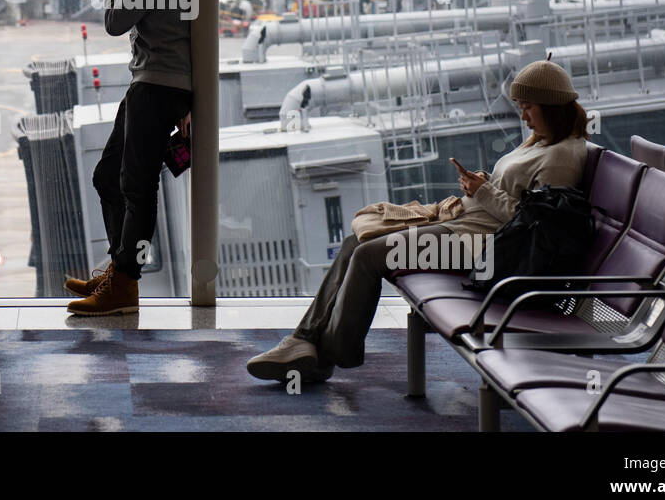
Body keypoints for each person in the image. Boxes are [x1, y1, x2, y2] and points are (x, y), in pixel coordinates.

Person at [247, 57, 591, 382]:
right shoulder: (543, 142)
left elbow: (536, 226)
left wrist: (484, 191)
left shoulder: (561, 157)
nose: (524, 115)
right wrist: (484, 185)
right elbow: (522, 198)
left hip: (477, 248)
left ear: (551, 106)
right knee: (358, 240)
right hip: (465, 228)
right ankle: (304, 338)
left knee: (368, 257)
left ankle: (326, 356)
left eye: (528, 107)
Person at [65, 0, 193, 316]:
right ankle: (120, 270)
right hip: (154, 84)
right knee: (109, 177)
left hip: (157, 87)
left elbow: (115, 21)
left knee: (137, 187)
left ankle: (124, 284)